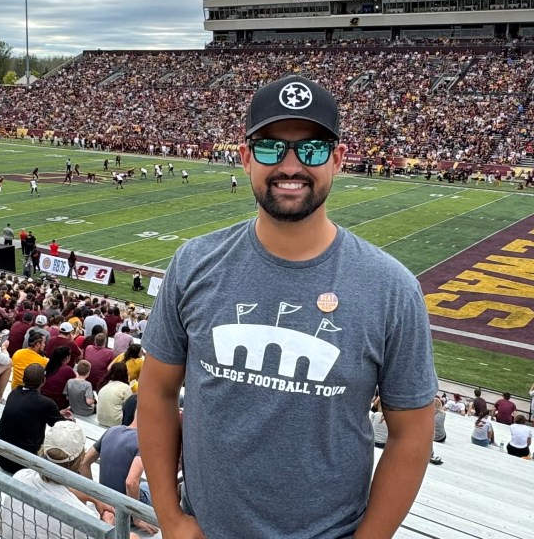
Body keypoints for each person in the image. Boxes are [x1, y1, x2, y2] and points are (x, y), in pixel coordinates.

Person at [138, 74, 437, 539]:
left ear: (338, 160)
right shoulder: (193, 263)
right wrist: (171, 519)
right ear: (245, 158)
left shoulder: (393, 289)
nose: (291, 166)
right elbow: (156, 393)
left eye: (312, 149)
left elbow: (411, 434)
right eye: (271, 148)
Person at [0, 421, 124, 539]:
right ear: (80, 458)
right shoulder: (83, 518)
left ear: (44, 450)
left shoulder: (20, 477)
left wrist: (93, 498)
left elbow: (54, 489)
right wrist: (107, 527)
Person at [80, 415, 159, 534]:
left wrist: (97, 498)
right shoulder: (145, 442)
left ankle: (110, 514)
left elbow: (84, 463)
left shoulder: (112, 430)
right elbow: (131, 483)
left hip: (107, 499)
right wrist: (137, 519)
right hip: (126, 510)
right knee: (153, 487)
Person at [0, 363, 73, 474]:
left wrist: (56, 413)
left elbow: (32, 411)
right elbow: (61, 426)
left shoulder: (13, 393)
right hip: (24, 464)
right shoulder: (46, 403)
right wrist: (71, 421)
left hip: (1, 457)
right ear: (44, 380)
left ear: (23, 378)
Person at [96, 362, 134, 427]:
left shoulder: (105, 385)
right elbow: (130, 405)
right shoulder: (125, 387)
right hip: (116, 422)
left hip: (100, 419)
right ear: (125, 373)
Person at [40, 346, 76, 410]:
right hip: (57, 402)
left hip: (43, 397)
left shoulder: (49, 365)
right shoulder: (67, 369)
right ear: (66, 357)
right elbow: (75, 383)